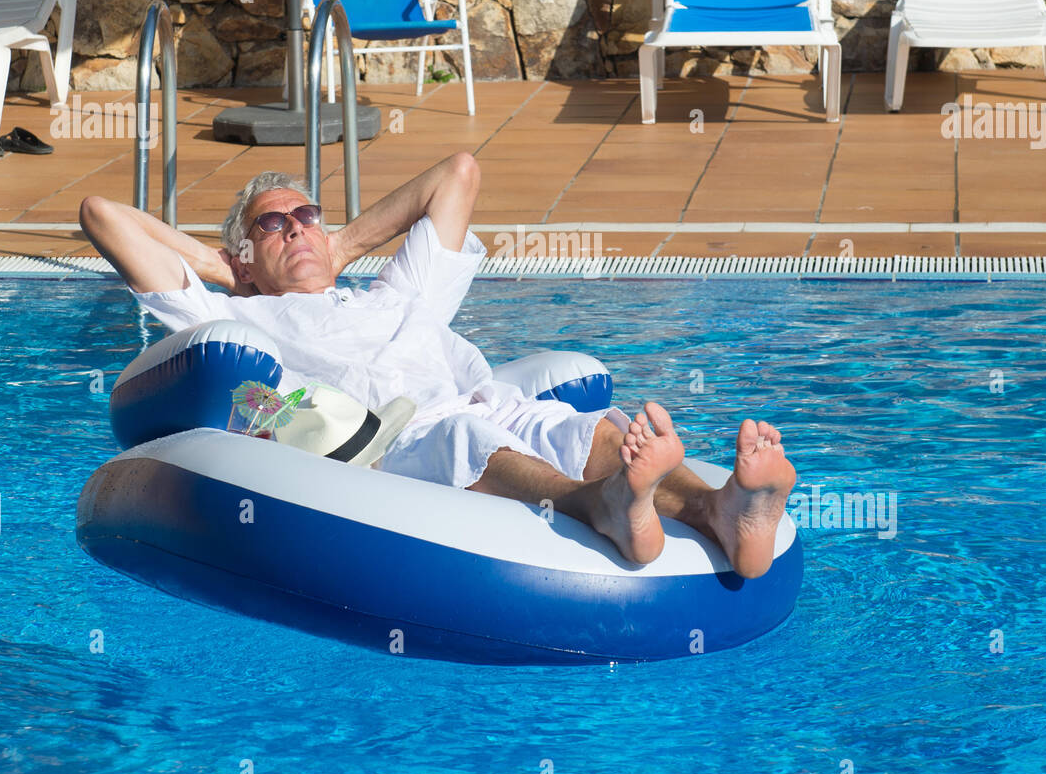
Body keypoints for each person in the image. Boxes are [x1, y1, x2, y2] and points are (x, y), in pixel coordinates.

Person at [79, 153, 796, 578]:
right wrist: (220, 268)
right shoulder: (240, 318)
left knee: (583, 428)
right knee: (466, 440)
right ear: (245, 256)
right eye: (274, 224)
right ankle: (598, 505)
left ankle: (718, 510)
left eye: (308, 216)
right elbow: (101, 212)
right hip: (398, 439)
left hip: (486, 401)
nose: (297, 227)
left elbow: (458, 173)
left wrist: (339, 248)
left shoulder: (396, 293)